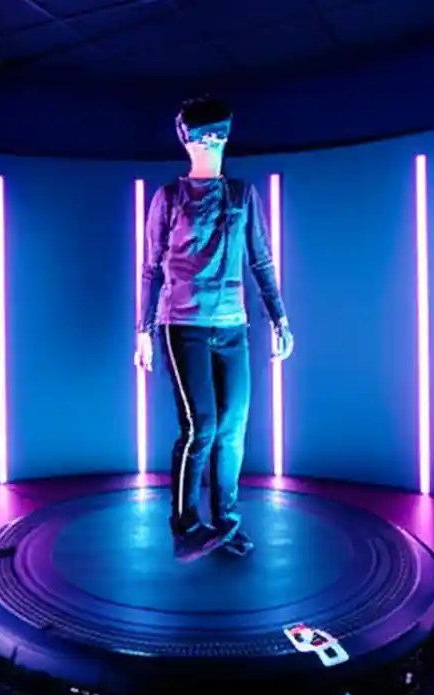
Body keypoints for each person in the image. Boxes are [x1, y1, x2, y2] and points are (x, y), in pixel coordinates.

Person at [134, 96, 294, 562]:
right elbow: (151, 269)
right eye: (205, 133)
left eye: (219, 132)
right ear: (188, 138)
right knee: (200, 426)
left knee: (232, 429)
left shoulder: (243, 195)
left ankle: (225, 523)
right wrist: (143, 331)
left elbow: (261, 260)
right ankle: (185, 526)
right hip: (182, 324)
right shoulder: (167, 199)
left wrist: (279, 318)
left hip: (232, 327)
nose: (213, 141)